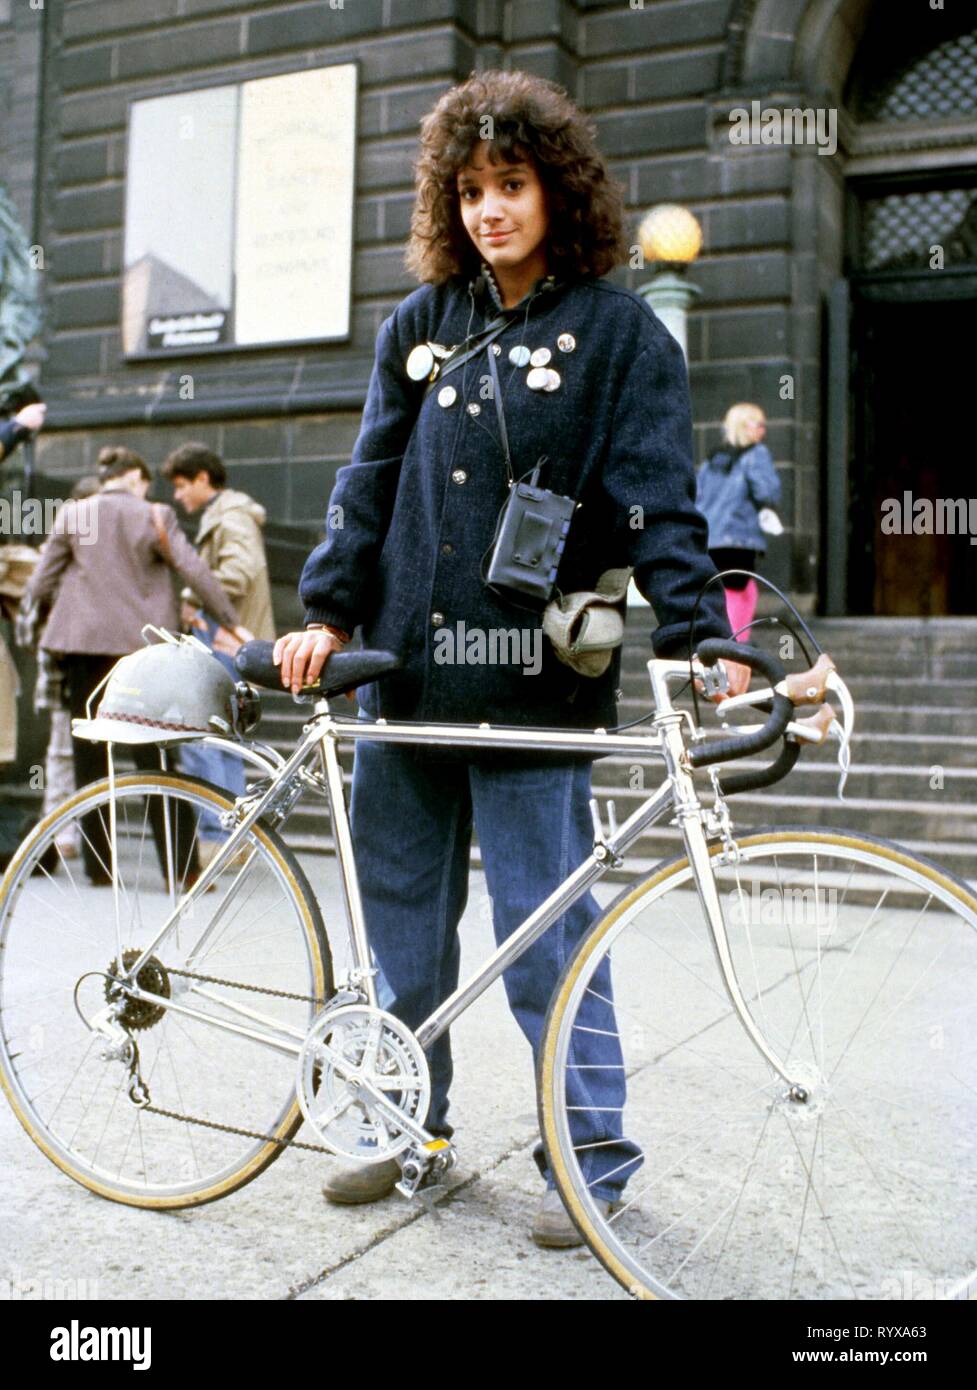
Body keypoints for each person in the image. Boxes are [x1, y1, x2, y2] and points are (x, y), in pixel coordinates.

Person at [274, 69, 749, 1247]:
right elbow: (367, 485)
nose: (489, 208)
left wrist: (695, 631)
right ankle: (403, 1126)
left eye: (512, 184)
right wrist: (327, 614)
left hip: (539, 682)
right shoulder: (421, 323)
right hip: (404, 677)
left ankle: (586, 1159)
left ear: (556, 188)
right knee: (403, 937)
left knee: (546, 933)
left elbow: (655, 503)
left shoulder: (621, 334)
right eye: (470, 189)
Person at [25, 446, 245, 886]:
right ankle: (181, 870)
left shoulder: (75, 515)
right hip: (143, 657)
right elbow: (196, 572)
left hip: (84, 655)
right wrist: (233, 623)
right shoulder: (156, 515)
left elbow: (38, 583)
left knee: (90, 760)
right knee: (156, 758)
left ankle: (100, 868)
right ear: (137, 480)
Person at [161, 442, 272, 862]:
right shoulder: (228, 515)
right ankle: (234, 835)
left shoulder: (231, 516)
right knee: (222, 740)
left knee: (206, 738)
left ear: (203, 478)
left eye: (181, 485)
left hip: (225, 640)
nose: (177, 496)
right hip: (229, 641)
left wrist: (192, 595)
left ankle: (221, 835)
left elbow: (237, 575)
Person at [695, 403, 782, 643]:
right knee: (736, 591)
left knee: (739, 590)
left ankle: (732, 642)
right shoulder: (756, 454)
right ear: (744, 426)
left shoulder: (712, 460)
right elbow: (768, 493)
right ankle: (732, 647)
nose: (763, 430)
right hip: (738, 539)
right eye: (759, 424)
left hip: (711, 539)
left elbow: (698, 496)